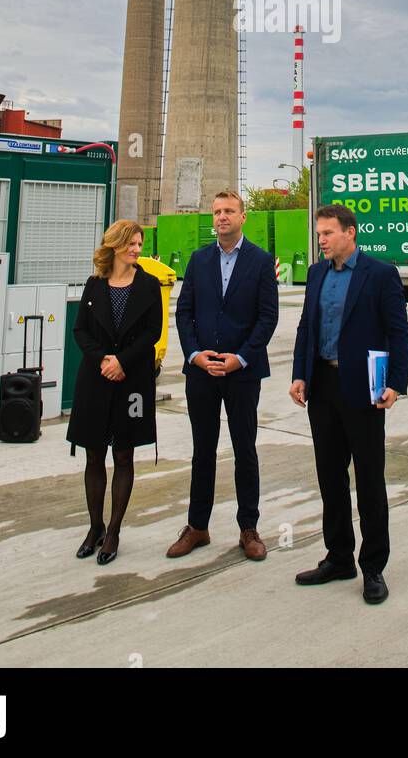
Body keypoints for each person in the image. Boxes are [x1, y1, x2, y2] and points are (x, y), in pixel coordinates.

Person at [289, 203, 408, 604]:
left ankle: (372, 566)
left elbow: (397, 332)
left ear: (350, 233)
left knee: (369, 480)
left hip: (364, 389)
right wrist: (300, 374)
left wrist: (395, 383)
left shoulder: (380, 274)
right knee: (330, 476)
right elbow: (307, 325)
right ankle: (338, 556)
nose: (320, 240)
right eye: (319, 234)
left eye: (327, 233)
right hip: (322, 386)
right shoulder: (316, 273)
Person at [167, 190, 279, 561]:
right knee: (203, 450)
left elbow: (267, 317)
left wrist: (242, 358)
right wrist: (196, 355)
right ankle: (197, 526)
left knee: (244, 449)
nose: (222, 217)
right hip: (202, 371)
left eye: (229, 211)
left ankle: (249, 528)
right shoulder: (198, 261)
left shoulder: (261, 261)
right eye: (216, 212)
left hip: (241, 373)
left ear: (243, 216)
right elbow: (184, 313)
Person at [66, 220, 163, 565]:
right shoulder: (94, 286)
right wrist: (103, 360)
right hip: (95, 378)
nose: (137, 250)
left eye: (139, 244)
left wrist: (122, 361)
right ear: (115, 246)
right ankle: (95, 527)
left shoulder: (149, 285)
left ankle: (114, 531)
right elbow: (80, 331)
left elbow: (153, 331)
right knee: (93, 454)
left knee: (124, 455)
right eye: (132, 244)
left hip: (132, 381)